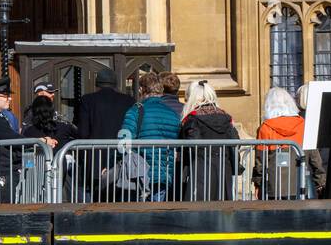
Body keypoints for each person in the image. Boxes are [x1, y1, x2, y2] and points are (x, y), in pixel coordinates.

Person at [119, 71, 182, 201]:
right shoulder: (173, 114)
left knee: (137, 215)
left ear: (142, 89)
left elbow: (123, 142)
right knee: (156, 215)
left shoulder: (136, 110)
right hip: (164, 174)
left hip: (139, 174)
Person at [254, 86, 324, 199]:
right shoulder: (303, 125)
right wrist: (320, 182)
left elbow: (260, 161)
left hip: (274, 187)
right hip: (300, 184)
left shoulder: (265, 128)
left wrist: (258, 183)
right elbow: (314, 157)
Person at [177, 80, 241, 200]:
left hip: (200, 167)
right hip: (223, 168)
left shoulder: (193, 118)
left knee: (199, 210)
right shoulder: (226, 117)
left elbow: (189, 144)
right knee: (222, 207)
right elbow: (235, 141)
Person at [77, 68, 134, 140]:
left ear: (97, 83)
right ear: (115, 83)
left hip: (94, 148)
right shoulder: (129, 101)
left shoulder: (87, 100)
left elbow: (83, 132)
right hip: (120, 148)